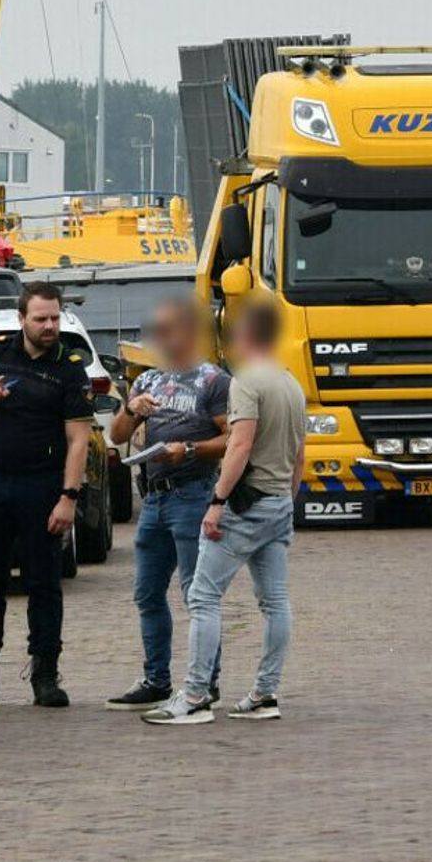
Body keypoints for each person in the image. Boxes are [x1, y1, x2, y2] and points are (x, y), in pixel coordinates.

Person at [144, 298, 304, 726]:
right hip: (277, 503)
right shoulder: (291, 384)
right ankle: (265, 693)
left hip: (244, 504)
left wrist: (216, 501)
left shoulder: (246, 382)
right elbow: (300, 454)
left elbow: (240, 444)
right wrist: (288, 499)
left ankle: (196, 696)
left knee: (203, 596)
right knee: (274, 601)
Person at [0, 281, 92, 711]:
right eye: (41, 319)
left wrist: (69, 496)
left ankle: (45, 674)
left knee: (43, 583)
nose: (49, 326)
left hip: (42, 485)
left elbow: (79, 441)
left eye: (54, 318)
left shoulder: (69, 366)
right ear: (21, 319)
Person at [105, 299, 230, 711]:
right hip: (155, 499)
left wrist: (190, 449)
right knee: (147, 593)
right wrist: (130, 408)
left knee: (198, 594)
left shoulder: (214, 381)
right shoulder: (148, 382)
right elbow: (116, 434)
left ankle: (205, 683)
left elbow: (234, 438)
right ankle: (157, 678)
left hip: (192, 493)